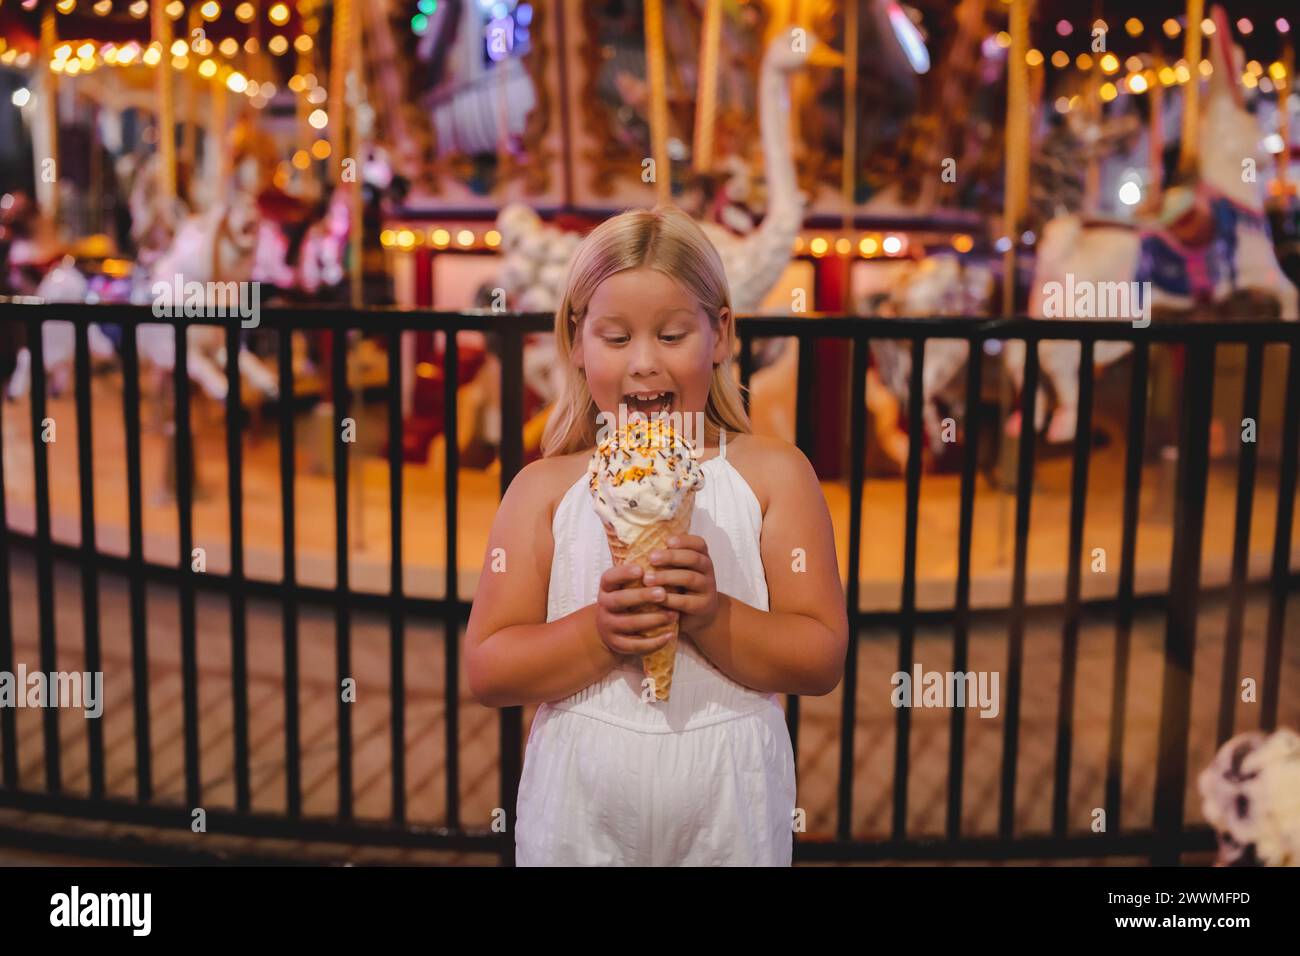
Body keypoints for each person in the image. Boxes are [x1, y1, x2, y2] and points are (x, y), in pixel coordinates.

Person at [465, 206, 847, 865]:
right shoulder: (544, 488)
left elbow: (819, 658)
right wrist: (598, 631)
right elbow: (489, 667)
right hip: (578, 810)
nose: (644, 363)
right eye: (616, 339)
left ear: (721, 334)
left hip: (730, 806)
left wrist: (712, 613)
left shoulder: (774, 477)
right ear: (578, 344)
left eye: (672, 335)